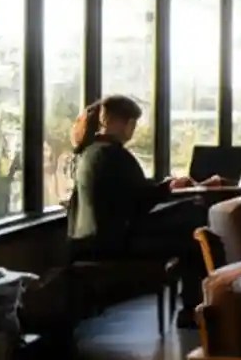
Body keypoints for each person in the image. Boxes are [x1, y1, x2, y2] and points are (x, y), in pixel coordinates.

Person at [66, 95, 220, 327]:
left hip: (89, 240)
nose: (133, 131)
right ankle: (193, 308)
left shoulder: (88, 153)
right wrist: (169, 187)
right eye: (133, 124)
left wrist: (164, 189)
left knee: (188, 224)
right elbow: (140, 200)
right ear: (124, 123)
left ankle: (191, 299)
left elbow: (129, 196)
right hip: (114, 243)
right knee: (196, 233)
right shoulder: (114, 155)